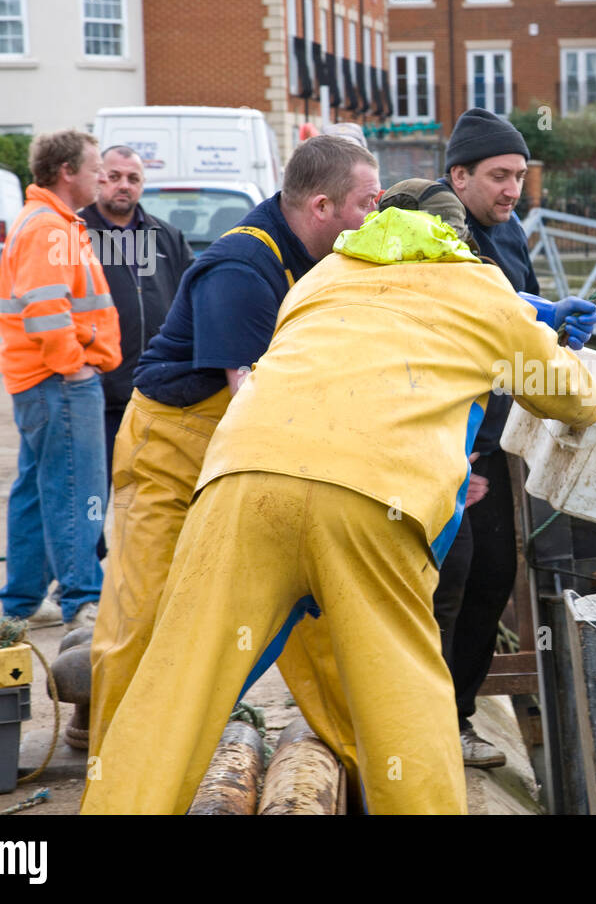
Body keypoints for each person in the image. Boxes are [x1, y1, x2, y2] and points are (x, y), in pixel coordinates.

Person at [80, 184, 596, 815]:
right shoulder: (482, 288)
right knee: (401, 697)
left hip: (241, 480)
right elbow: (570, 396)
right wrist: (553, 345)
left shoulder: (323, 276)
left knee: (177, 684)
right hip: (371, 499)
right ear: (459, 241)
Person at [87, 135, 380, 758]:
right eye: (366, 202)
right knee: (145, 617)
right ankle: (119, 774)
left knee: (316, 607)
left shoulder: (331, 260)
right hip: (174, 449)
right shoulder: (242, 268)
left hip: (252, 450)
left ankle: (362, 760)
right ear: (323, 206)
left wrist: (534, 313)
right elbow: (253, 399)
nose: (374, 216)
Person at [433, 108, 596, 767]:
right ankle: (430, 718)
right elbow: (474, 305)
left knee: (496, 572)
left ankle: (461, 715)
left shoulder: (512, 236)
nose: (512, 191)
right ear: (460, 175)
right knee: (451, 571)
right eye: (499, 176)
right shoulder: (439, 228)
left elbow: (521, 316)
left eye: (520, 177)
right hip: (446, 435)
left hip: (498, 435)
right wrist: (538, 314)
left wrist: (557, 328)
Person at [0, 130, 121, 633]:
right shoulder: (50, 228)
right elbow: (45, 311)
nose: (102, 178)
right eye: (96, 169)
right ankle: (82, 602)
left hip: (41, 380)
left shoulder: (47, 222)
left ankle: (23, 601)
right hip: (60, 381)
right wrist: (74, 365)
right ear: (67, 172)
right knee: (77, 489)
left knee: (37, 489)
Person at [77, 145, 193, 559]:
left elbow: (189, 301)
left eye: (133, 178)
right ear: (98, 178)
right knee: (90, 492)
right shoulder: (77, 234)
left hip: (154, 393)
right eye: (114, 175)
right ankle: (82, 585)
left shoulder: (164, 236)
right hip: (97, 391)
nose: (123, 185)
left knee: (157, 491)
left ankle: (150, 569)